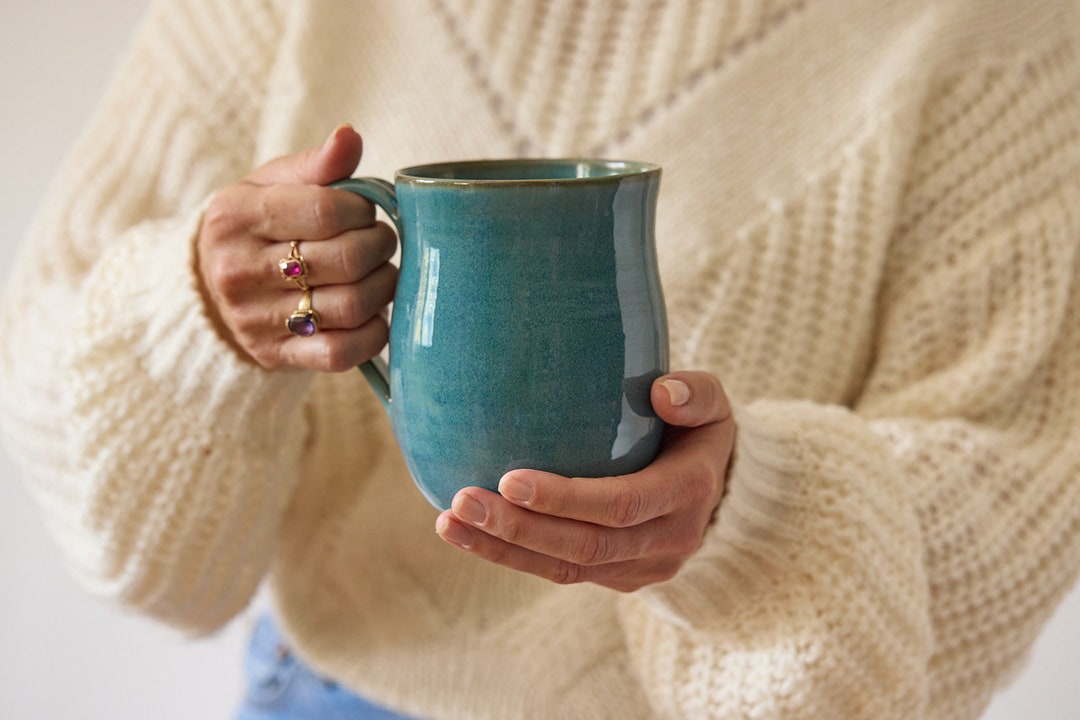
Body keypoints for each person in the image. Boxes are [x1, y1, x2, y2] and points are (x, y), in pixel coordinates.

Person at [2, 0, 1079, 718]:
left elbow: (1016, 484)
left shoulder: (996, 34)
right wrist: (192, 309)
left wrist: (752, 511)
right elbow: (47, 362)